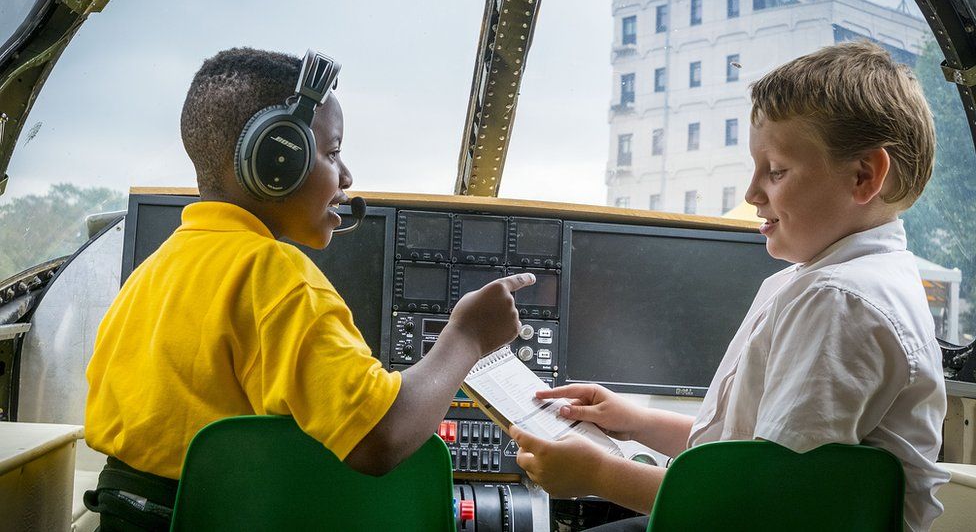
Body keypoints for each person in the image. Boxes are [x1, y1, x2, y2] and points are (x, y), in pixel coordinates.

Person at [83, 47, 534, 531]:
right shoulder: (274, 275)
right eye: (333, 152)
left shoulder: (156, 270)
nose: (346, 176)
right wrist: (467, 338)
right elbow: (380, 438)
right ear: (278, 158)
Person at [510, 40, 949, 532]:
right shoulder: (834, 281)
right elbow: (741, 451)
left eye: (776, 171)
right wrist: (634, 421)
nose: (751, 193)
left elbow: (758, 503)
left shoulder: (840, 301)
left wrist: (596, 474)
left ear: (864, 175)